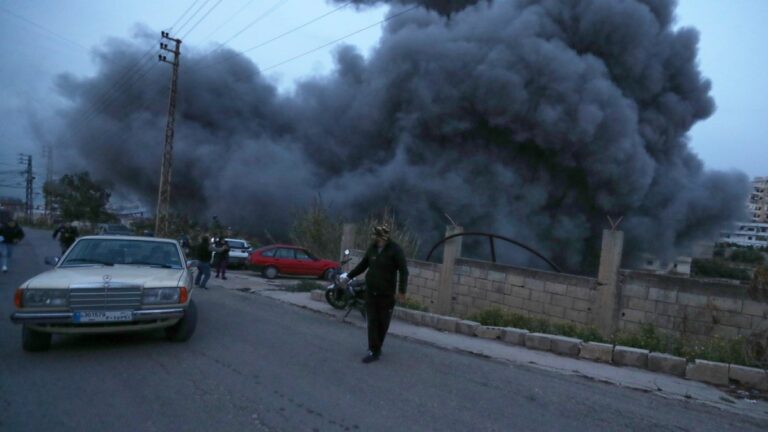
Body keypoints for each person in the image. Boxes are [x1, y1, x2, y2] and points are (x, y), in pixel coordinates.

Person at [341, 225, 409, 363]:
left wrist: (402, 291)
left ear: (385, 238)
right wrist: (348, 277)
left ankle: (377, 347)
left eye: (379, 237)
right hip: (371, 291)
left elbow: (403, 271)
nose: (377, 240)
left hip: (387, 294)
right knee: (372, 321)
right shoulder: (372, 249)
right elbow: (363, 265)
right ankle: (373, 350)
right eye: (375, 237)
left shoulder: (395, 250)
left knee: (383, 323)